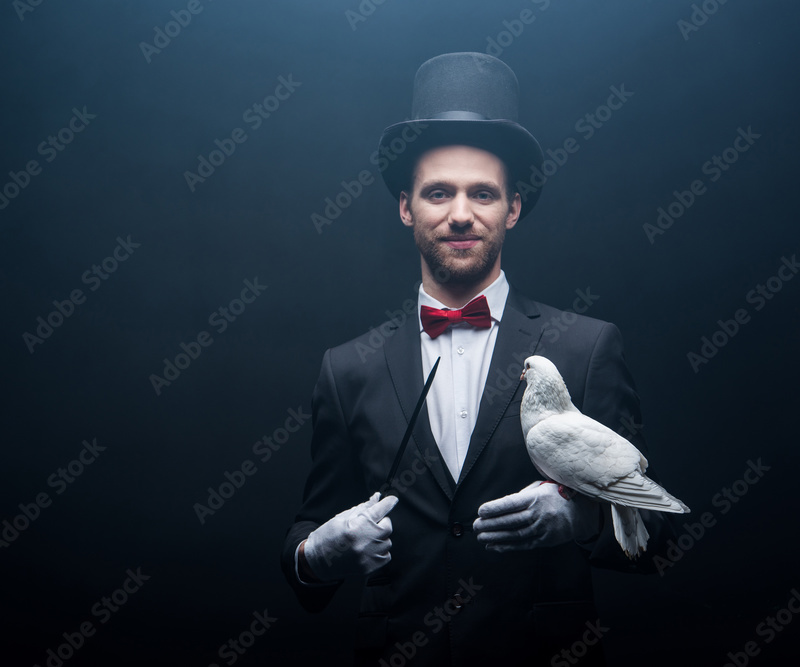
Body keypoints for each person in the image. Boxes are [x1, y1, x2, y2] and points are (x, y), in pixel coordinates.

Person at [281, 52, 677, 666]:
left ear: (513, 209)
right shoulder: (346, 368)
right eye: (438, 192)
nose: (460, 214)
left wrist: (585, 520)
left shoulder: (587, 347)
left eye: (482, 193)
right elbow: (308, 533)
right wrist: (319, 553)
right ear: (406, 208)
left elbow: (664, 540)